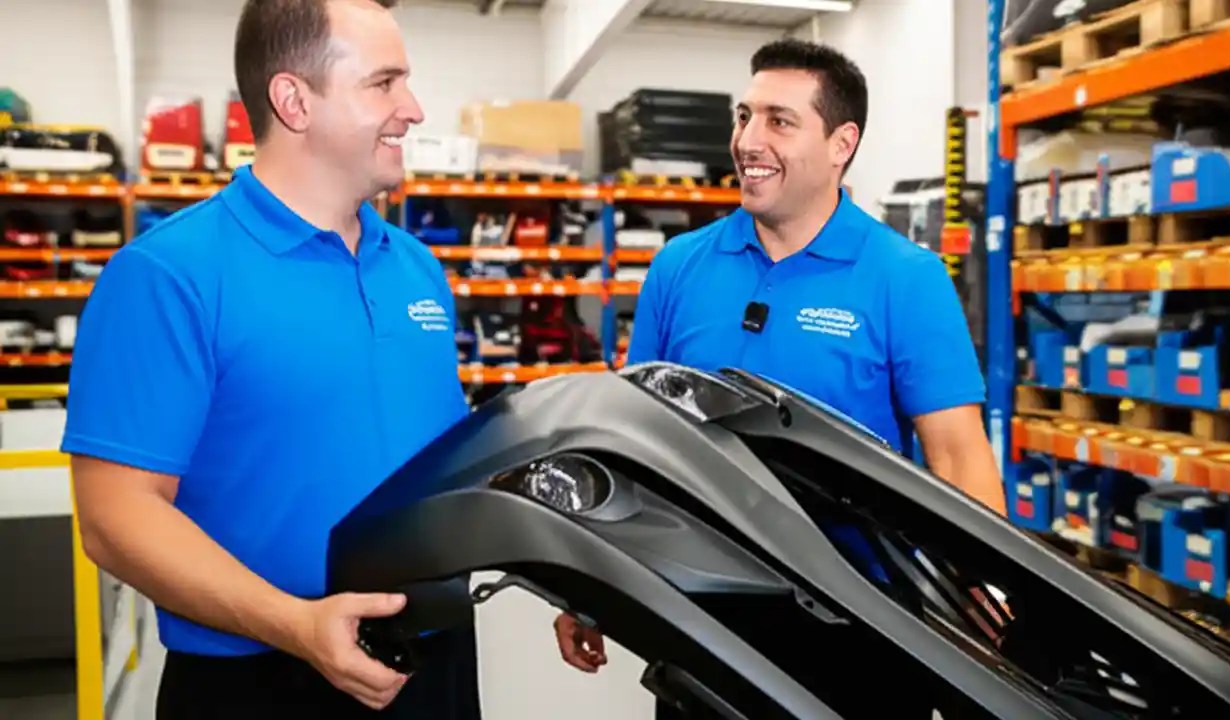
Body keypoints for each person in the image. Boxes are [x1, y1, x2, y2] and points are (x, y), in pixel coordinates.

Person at [551, 38, 1006, 712]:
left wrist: (990, 601)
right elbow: (626, 437)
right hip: (704, 617)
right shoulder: (680, 266)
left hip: (863, 624)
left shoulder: (905, 278)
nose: (748, 140)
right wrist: (586, 584)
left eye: (779, 121)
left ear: (840, 143)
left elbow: (957, 452)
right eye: (745, 116)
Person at [60, 1, 480, 717]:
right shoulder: (169, 275)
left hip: (432, 660)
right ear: (294, 100)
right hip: (260, 675)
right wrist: (296, 625)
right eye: (384, 83)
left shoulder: (415, 267)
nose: (412, 109)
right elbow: (115, 516)